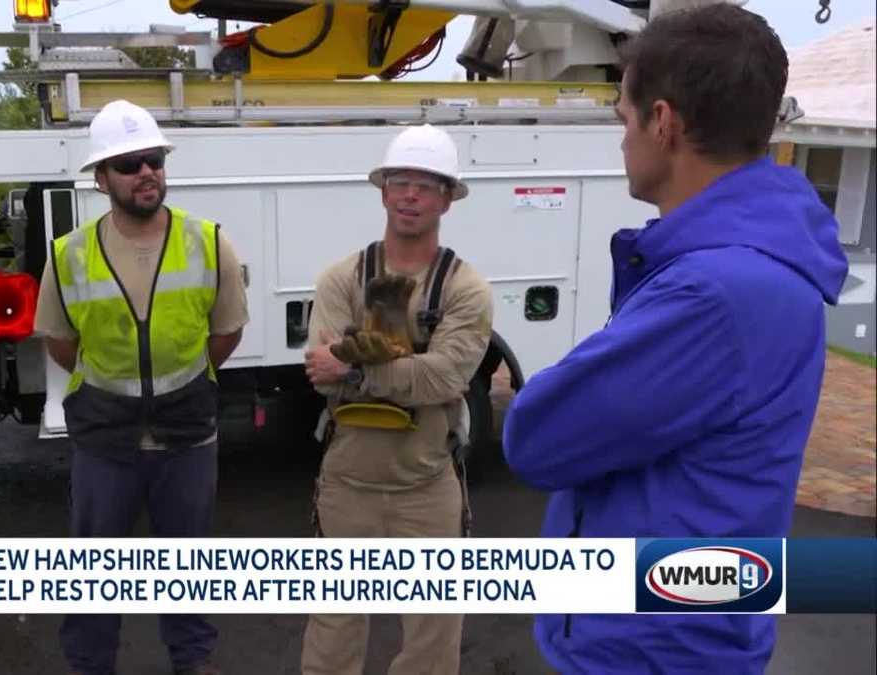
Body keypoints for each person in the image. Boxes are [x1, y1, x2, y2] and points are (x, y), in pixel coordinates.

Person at [501, 5, 848, 674]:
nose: (622, 140)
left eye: (624, 121)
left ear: (664, 122)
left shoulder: (711, 294)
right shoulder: (759, 265)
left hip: (651, 648)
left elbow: (536, 438)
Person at [33, 99, 249, 675]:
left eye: (152, 159)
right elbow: (60, 343)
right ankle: (90, 665)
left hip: (187, 436)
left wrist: (180, 382)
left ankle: (193, 663)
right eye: (128, 164)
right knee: (95, 576)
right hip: (105, 440)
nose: (145, 172)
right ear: (101, 179)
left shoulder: (209, 241)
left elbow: (226, 331)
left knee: (187, 570)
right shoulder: (68, 255)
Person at [301, 124, 493, 675]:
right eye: (401, 182)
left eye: (426, 185)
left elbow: (447, 379)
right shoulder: (342, 278)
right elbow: (321, 374)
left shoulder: (464, 289)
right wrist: (366, 369)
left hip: (426, 485)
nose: (411, 195)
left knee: (433, 639)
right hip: (347, 483)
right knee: (332, 631)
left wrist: (356, 369)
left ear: (446, 200)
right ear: (383, 191)